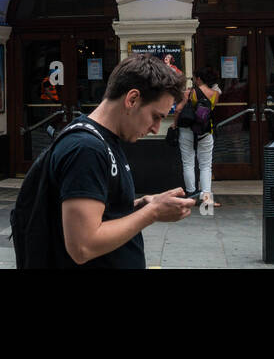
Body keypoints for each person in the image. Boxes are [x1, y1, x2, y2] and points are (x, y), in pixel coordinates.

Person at [44, 53, 193, 268]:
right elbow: (82, 246)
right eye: (156, 116)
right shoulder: (85, 149)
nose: (155, 129)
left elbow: (100, 211)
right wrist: (153, 213)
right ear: (132, 99)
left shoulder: (104, 140)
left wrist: (141, 205)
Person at [178, 66, 222, 208]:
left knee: (188, 163)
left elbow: (179, 109)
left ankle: (191, 195)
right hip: (205, 130)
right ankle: (207, 198)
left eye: (195, 77)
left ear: (198, 79)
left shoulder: (190, 92)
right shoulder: (215, 94)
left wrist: (174, 124)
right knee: (205, 166)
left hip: (187, 130)